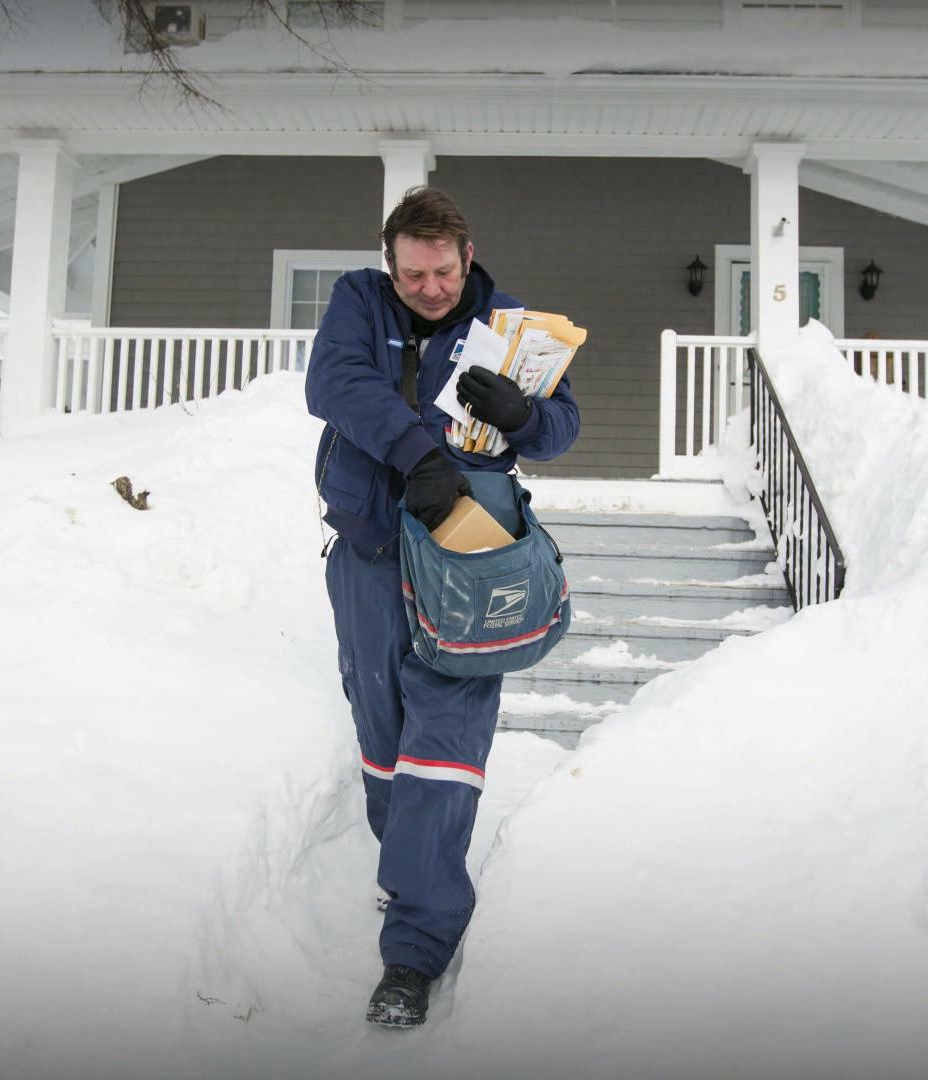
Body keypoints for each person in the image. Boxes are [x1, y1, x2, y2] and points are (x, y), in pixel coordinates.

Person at [305, 187, 580, 1028]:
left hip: (466, 557)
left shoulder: (512, 326)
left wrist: (524, 414)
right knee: (383, 731)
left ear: (468, 257)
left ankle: (415, 949)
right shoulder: (358, 303)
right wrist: (418, 451)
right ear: (391, 264)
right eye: (413, 273)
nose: (430, 288)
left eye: (444, 272)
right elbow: (336, 383)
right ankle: (410, 873)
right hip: (371, 551)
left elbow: (564, 427)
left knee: (445, 741)